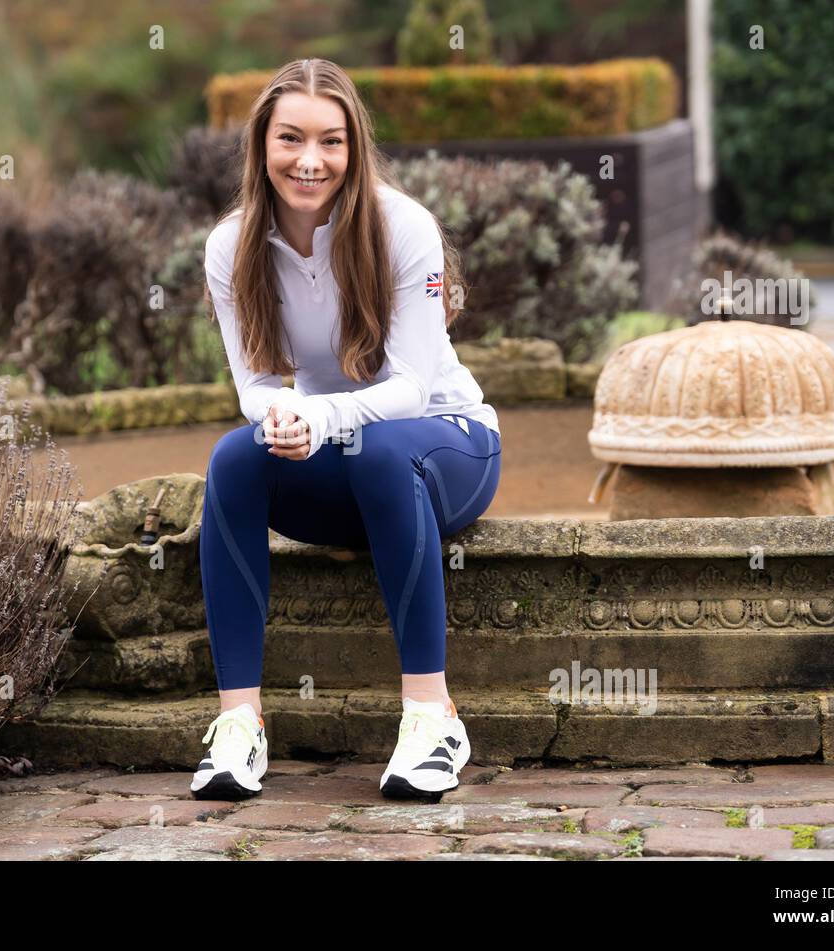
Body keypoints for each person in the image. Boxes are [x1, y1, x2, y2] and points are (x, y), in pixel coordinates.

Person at [191, 57, 501, 802]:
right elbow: (254, 385)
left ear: (354, 147)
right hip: (347, 460)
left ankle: (433, 718)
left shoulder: (403, 227)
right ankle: (240, 725)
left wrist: (320, 414)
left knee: (384, 451)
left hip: (447, 445)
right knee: (235, 458)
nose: (310, 160)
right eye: (290, 138)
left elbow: (410, 388)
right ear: (261, 147)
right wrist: (284, 419)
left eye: (331, 141)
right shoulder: (230, 246)